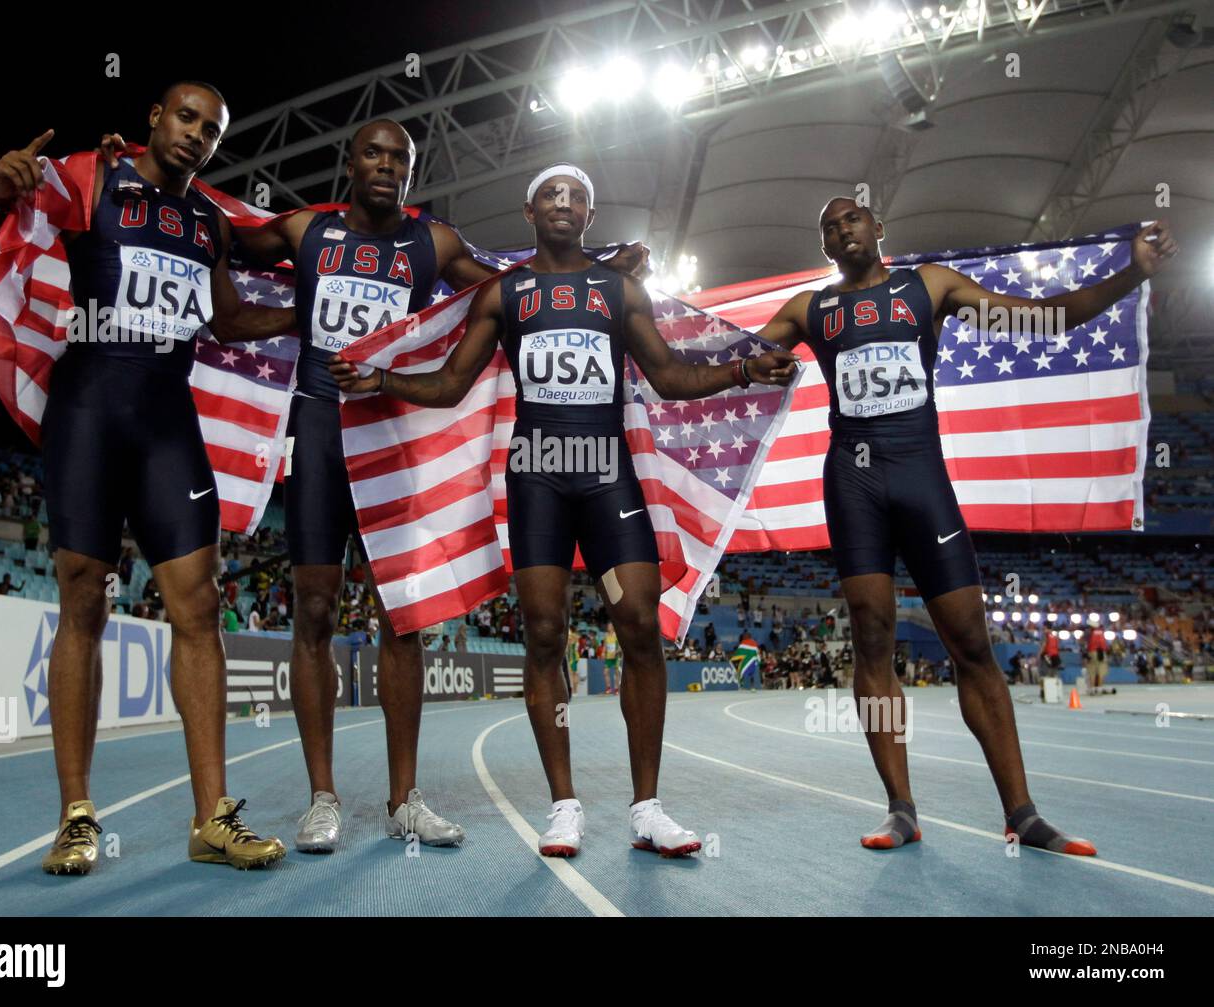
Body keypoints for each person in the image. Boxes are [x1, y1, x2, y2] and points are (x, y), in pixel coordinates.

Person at [191, 118, 648, 854]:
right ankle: (322, 797)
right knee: (313, 609)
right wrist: (136, 179)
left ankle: (405, 799)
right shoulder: (307, 229)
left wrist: (604, 265)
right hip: (319, 432)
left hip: (394, 435)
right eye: (372, 150)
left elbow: (523, 288)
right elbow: (215, 234)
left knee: (401, 616)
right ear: (350, 160)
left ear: (411, 171)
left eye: (400, 156)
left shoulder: (431, 244)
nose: (386, 164)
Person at [332, 163, 796, 857]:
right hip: (539, 478)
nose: (563, 203)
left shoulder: (618, 289)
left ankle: (647, 807)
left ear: (588, 214)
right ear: (529, 211)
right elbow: (454, 382)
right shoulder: (507, 293)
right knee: (545, 635)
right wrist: (383, 378)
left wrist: (740, 369)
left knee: (639, 624)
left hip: (607, 476)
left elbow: (669, 376)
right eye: (551, 193)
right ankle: (564, 804)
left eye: (577, 196)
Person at [755, 196, 1176, 855]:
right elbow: (736, 360)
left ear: (877, 228)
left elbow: (1043, 320)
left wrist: (1133, 274)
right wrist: (759, 364)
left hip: (923, 478)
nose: (843, 228)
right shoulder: (811, 310)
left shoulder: (928, 286)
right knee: (871, 637)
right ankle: (900, 808)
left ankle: (1024, 814)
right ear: (827, 247)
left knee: (971, 642)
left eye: (853, 218)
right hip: (854, 480)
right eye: (830, 226)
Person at [0, 82, 292, 873]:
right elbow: (22, 196)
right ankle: (77, 814)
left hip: (166, 421)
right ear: (156, 117)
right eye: (187, 118)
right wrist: (7, 177)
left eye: (213, 130)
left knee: (201, 603)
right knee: (82, 595)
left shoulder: (206, 221)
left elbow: (226, 318)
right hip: (88, 410)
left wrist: (302, 312)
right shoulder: (94, 177)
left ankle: (212, 818)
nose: (197, 136)